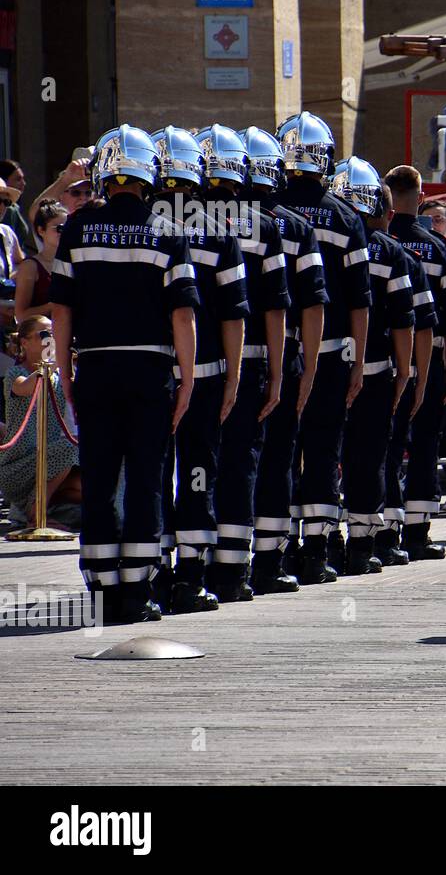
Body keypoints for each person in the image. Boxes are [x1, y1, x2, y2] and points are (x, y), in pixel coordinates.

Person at [51, 124, 200, 625]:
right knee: (145, 480)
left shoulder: (77, 229)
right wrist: (188, 377)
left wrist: (66, 367)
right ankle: (137, 592)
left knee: (99, 478)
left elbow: (62, 307)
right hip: (150, 368)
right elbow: (183, 314)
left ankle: (102, 590)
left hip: (94, 366)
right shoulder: (167, 230)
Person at [152, 124, 249, 613]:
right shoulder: (221, 228)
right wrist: (232, 376)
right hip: (206, 372)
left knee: (149, 471)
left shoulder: (138, 224)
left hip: (149, 372)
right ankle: (190, 578)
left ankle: (149, 573)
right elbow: (233, 314)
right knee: (196, 471)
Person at [197, 123, 293, 598]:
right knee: (239, 466)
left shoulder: (175, 217)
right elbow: (276, 308)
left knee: (189, 467)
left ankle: (182, 569)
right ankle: (231, 573)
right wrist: (278, 371)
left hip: (186, 365)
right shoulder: (268, 226)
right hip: (249, 364)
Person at [275, 111, 373, 575]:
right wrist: (357, 363)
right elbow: (359, 300)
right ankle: (315, 551)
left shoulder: (268, 209)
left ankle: (275, 547)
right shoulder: (346, 216)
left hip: (273, 353)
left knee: (277, 449)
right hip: (332, 353)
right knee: (322, 449)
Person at [241, 125, 329, 587]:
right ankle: (269, 563)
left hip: (214, 363)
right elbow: (312, 305)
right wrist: (307, 368)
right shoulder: (296, 228)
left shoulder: (199, 221)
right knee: (277, 461)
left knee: (225, 462)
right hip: (280, 359)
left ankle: (218, 562)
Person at [330, 162, 415, 573]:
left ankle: (318, 541)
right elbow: (404, 320)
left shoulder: (317, 235)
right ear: (383, 210)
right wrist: (403, 373)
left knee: (321, 452)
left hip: (324, 362)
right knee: (369, 455)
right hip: (376, 369)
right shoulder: (391, 251)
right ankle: (362, 546)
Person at [385, 164, 446, 559]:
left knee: (386, 441)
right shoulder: (439, 248)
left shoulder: (377, 239)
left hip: (382, 359)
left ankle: (382, 529)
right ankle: (417, 534)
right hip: (429, 362)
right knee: (425, 445)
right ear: (420, 198)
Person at [0, 315, 80, 527]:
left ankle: (33, 509)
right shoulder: (15, 373)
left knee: (85, 486)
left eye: (53, 334)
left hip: (50, 464)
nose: (50, 340)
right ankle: (36, 512)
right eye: (44, 334)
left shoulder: (57, 376)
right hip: (17, 468)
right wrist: (52, 363)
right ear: (24, 342)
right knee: (70, 446)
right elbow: (24, 387)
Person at [14, 200, 66, 321]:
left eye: (69, 227)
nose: (64, 232)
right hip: (42, 336)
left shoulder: (74, 261)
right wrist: (53, 306)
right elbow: (21, 315)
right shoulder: (30, 267)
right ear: (41, 230)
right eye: (59, 228)